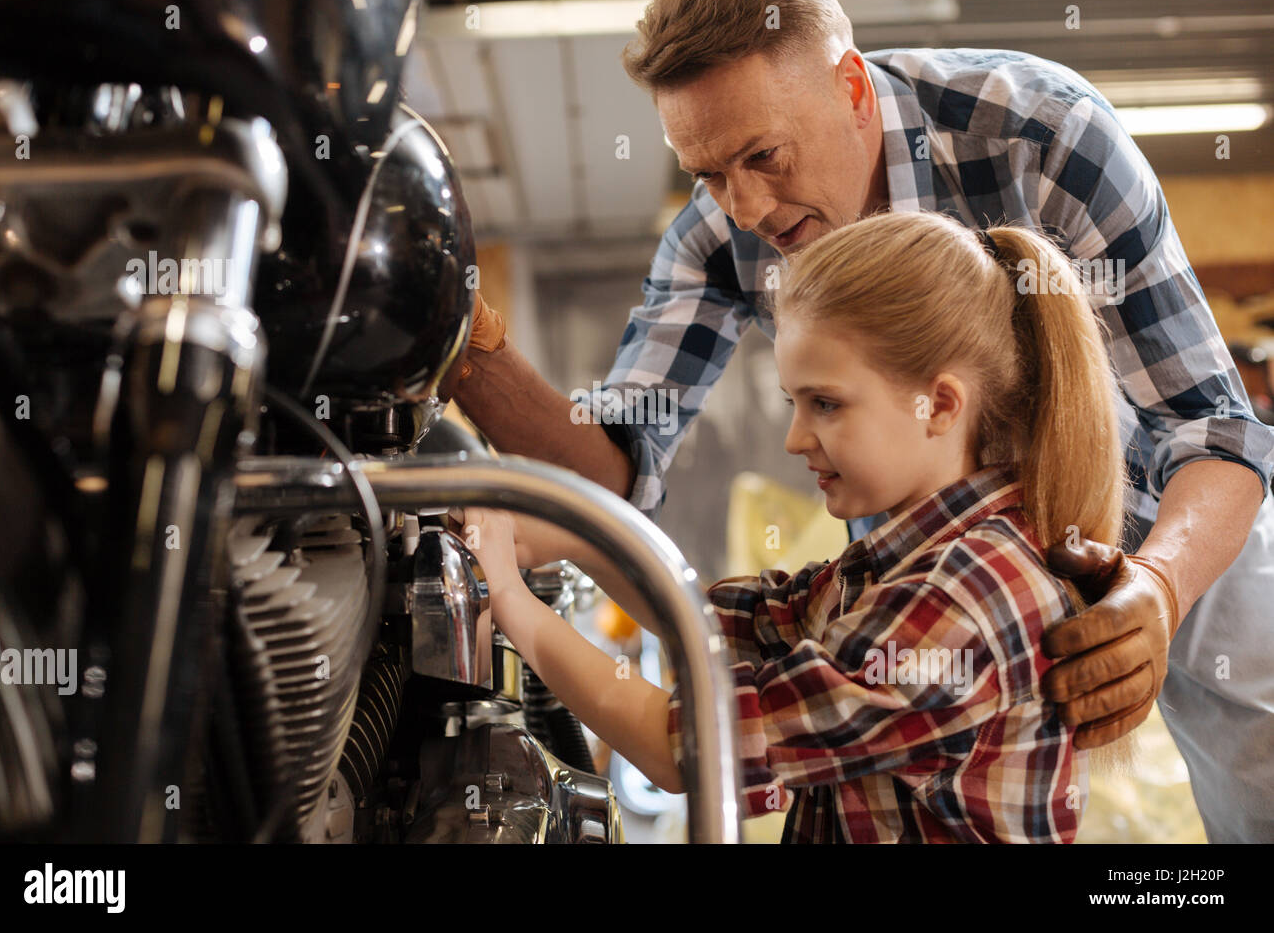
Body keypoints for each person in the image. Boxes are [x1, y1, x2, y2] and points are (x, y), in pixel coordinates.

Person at [450, 0, 1274, 840]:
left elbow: (1213, 428)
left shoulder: (1040, 131)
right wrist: (467, 353)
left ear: (850, 88)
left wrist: (1160, 587)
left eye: (765, 157)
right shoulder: (719, 226)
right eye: (707, 173)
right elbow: (618, 464)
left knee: (1256, 751)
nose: (747, 209)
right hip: (945, 548)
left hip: (1171, 521)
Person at [465, 212, 1143, 842]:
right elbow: (703, 624)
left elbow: (688, 747)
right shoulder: (899, 566)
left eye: (826, 404)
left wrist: (514, 603)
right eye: (795, 402)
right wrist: (578, 538)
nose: (795, 438)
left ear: (937, 405)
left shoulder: (968, 595)